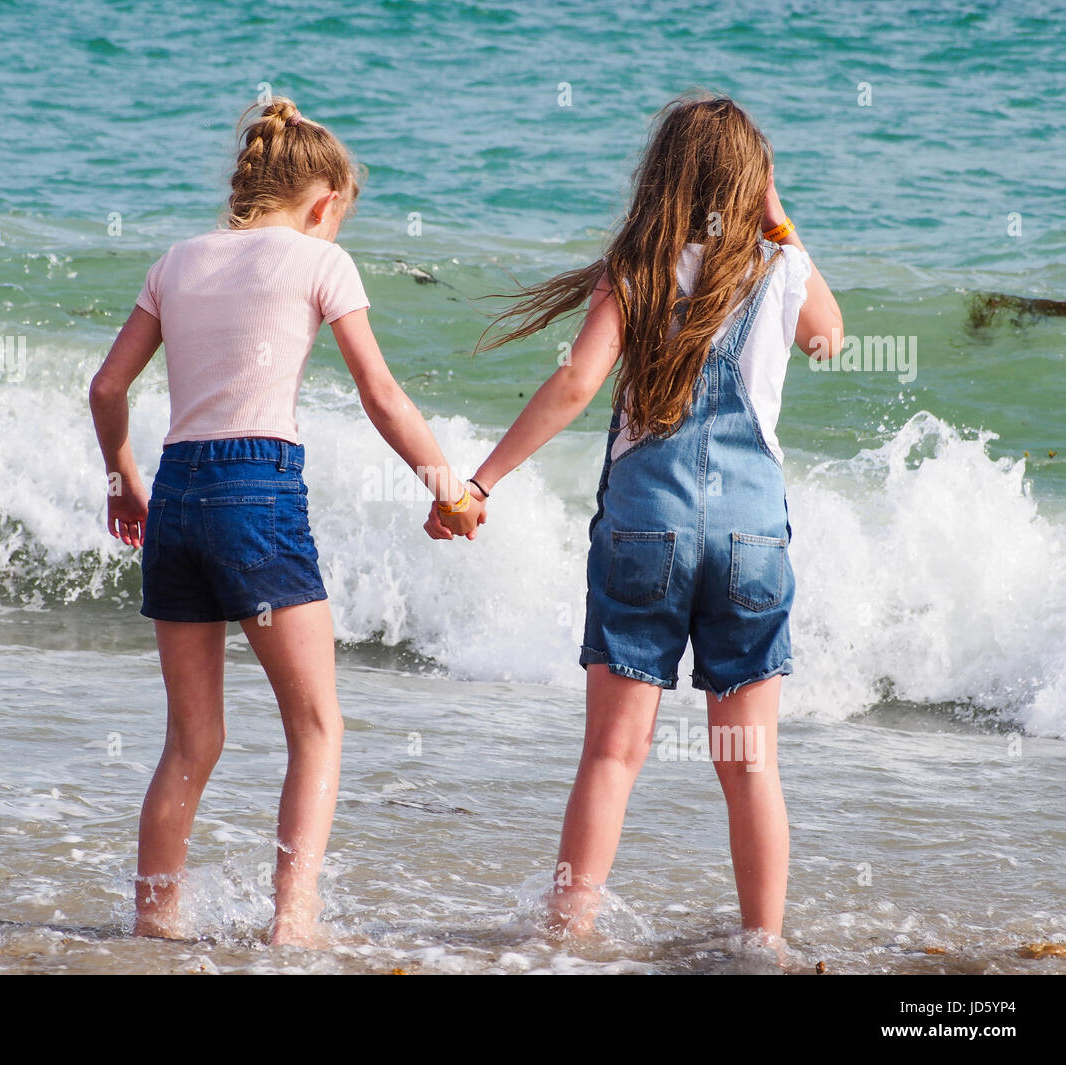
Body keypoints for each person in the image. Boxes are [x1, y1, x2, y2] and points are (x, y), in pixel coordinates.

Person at [427, 95, 842, 942]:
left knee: (613, 755)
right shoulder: (779, 267)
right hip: (751, 539)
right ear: (755, 184)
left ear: (663, 178)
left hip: (643, 528)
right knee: (750, 764)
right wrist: (783, 222)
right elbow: (829, 338)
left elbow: (577, 383)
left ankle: (566, 937)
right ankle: (764, 944)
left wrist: (481, 481)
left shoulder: (639, 268)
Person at [90, 97, 484, 946]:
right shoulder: (318, 262)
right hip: (258, 494)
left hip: (179, 495)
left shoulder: (177, 260)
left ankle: (153, 925)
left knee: (191, 738)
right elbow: (382, 396)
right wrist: (448, 485)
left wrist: (124, 482)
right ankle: (292, 924)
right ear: (323, 205)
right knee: (317, 726)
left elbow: (106, 388)